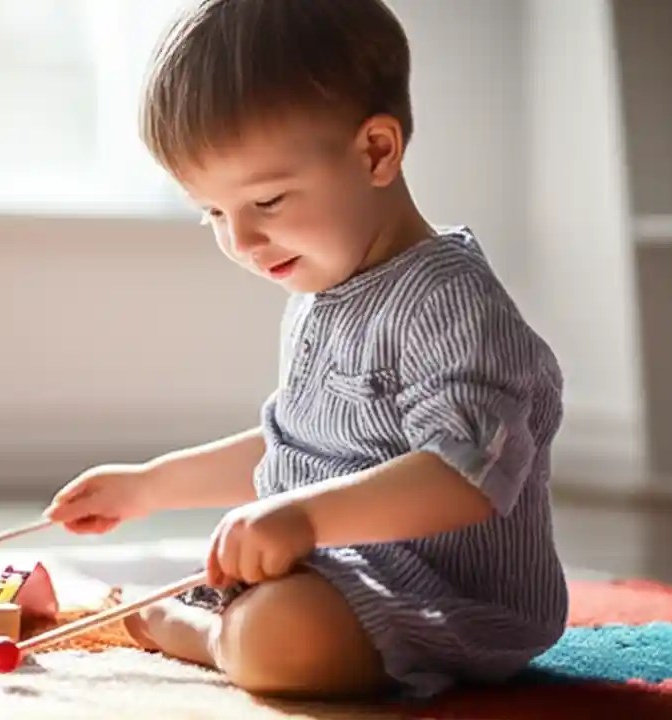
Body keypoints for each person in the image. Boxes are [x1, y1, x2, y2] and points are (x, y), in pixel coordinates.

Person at [44, 0, 568, 701]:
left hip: (452, 603)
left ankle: (193, 631)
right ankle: (221, 618)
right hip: (350, 573)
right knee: (256, 583)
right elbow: (293, 450)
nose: (241, 243)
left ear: (376, 151)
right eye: (214, 214)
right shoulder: (324, 297)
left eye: (267, 201)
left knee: (279, 637)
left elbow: (465, 477)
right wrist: (149, 485)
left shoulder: (450, 304)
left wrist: (306, 517)